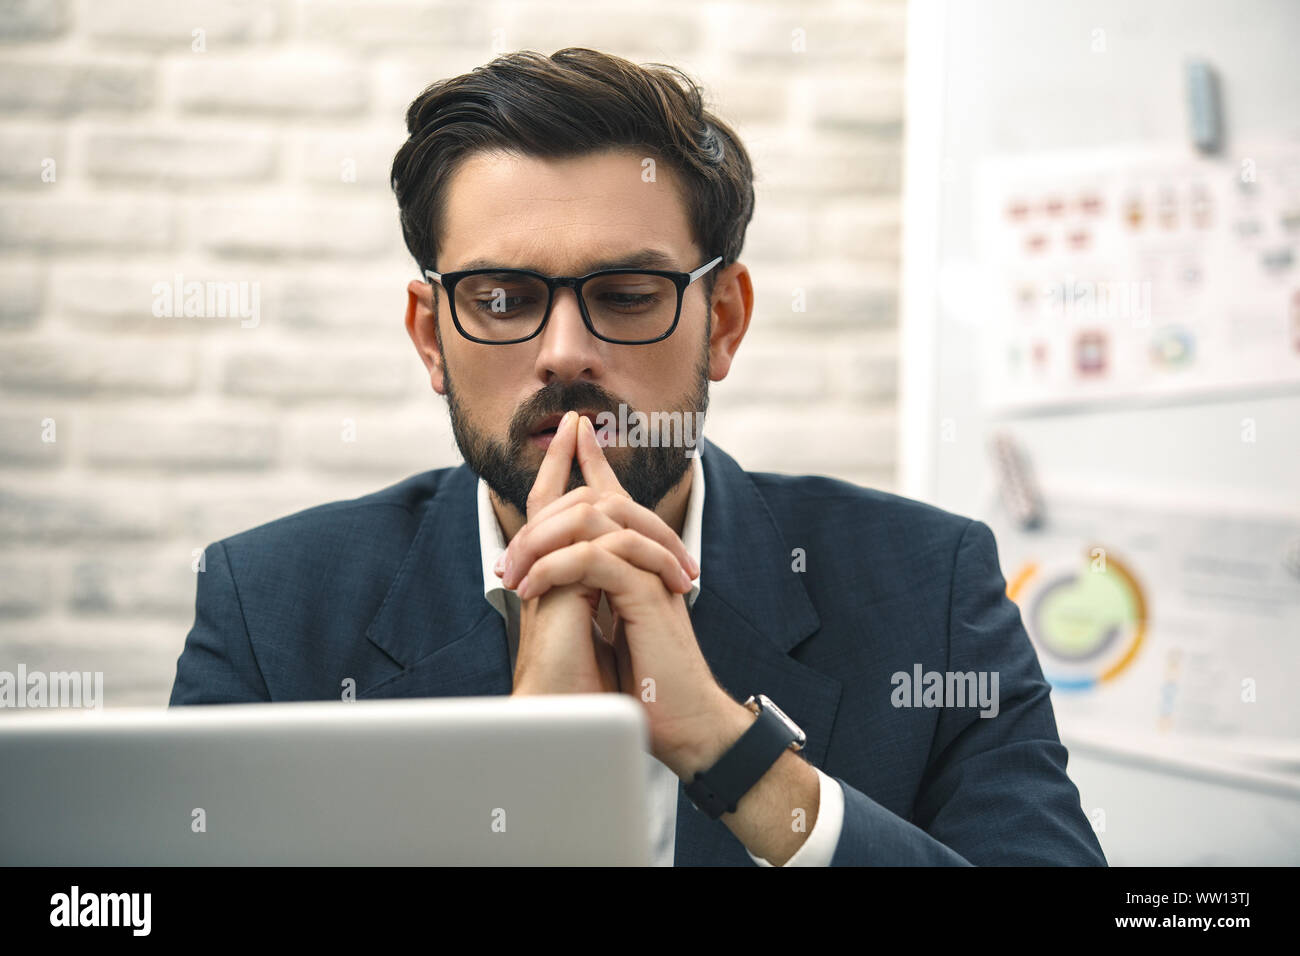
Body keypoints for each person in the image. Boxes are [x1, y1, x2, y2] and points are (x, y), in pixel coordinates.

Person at [170, 47, 1107, 868]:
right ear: (430, 338)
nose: (566, 351)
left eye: (625, 293)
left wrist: (730, 752)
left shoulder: (929, 590)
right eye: (501, 299)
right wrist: (512, 788)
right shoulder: (270, 608)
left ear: (724, 322)